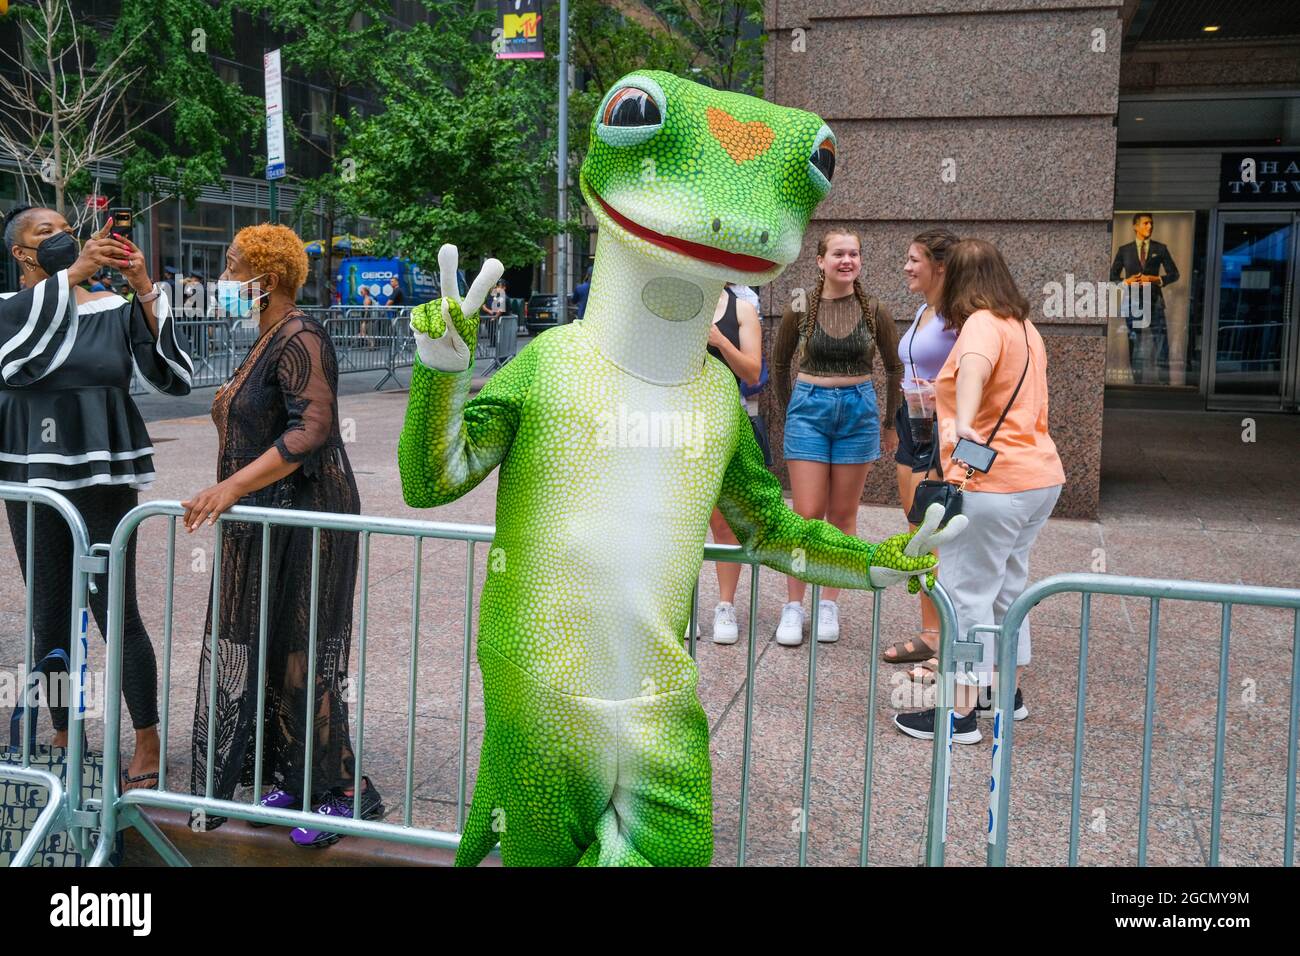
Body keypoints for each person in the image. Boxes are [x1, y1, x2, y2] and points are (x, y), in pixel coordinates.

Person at [181, 223, 381, 846]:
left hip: (310, 513)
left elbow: (309, 431)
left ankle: (344, 790)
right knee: (268, 648)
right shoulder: (265, 337)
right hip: (271, 517)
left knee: (304, 653)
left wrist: (230, 487)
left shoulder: (300, 336)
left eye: (233, 266)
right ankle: (296, 777)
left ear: (264, 280)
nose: (223, 280)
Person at [1, 206, 193, 790]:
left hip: (103, 472)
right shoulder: (11, 311)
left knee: (114, 607)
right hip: (31, 472)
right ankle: (65, 729)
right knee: (49, 611)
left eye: (66, 228)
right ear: (20, 253)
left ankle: (147, 734)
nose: (61, 236)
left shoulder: (111, 309)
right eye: (45, 232)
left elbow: (173, 379)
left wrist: (144, 294)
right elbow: (17, 366)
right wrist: (71, 273)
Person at [893, 238, 1065, 745]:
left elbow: (972, 371)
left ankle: (959, 715)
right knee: (1008, 588)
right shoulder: (1026, 328)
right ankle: (1003, 695)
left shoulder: (981, 326)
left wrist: (963, 422)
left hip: (992, 481)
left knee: (966, 590)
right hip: (1038, 476)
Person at [771, 228, 903, 646]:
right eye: (839, 254)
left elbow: (896, 368)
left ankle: (829, 601)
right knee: (806, 513)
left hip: (859, 413)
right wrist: (793, 409)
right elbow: (778, 364)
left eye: (855, 254)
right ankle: (794, 605)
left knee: (843, 515)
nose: (847, 261)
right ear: (820, 260)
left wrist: (890, 422)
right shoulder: (800, 305)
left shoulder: (874, 308)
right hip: (809, 412)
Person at [882, 229, 960, 676]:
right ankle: (929, 632)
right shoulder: (922, 310)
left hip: (940, 429)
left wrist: (944, 391)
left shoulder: (960, 316)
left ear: (940, 266)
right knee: (916, 529)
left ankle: (942, 639)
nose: (907, 267)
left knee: (935, 533)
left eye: (915, 260)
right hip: (911, 424)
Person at [705, 282, 763, 644]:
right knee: (678, 522)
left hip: (725, 422)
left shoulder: (740, 308)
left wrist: (720, 341)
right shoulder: (674, 299)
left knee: (724, 524)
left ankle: (724, 606)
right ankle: (677, 607)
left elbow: (753, 373)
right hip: (674, 422)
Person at [1108, 212, 1179, 383]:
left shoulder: (1160, 248)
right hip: (1132, 302)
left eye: (1151, 223)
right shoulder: (1124, 250)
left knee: (1161, 342)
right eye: (1146, 223)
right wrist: (1126, 281)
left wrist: (1155, 279)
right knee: (1135, 341)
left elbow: (1174, 274)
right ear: (1135, 226)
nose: (1150, 227)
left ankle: (1164, 382)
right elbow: (1112, 276)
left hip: (1155, 301)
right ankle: (1137, 382)